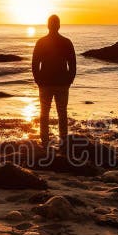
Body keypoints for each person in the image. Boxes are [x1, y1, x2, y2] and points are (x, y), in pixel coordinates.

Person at [31, 14, 76, 146]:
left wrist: (38, 80)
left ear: (48, 25)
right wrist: (69, 79)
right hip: (60, 83)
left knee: (44, 113)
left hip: (47, 83)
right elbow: (72, 63)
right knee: (62, 112)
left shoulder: (41, 42)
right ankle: (63, 140)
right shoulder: (66, 42)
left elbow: (35, 64)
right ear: (59, 26)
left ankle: (44, 140)